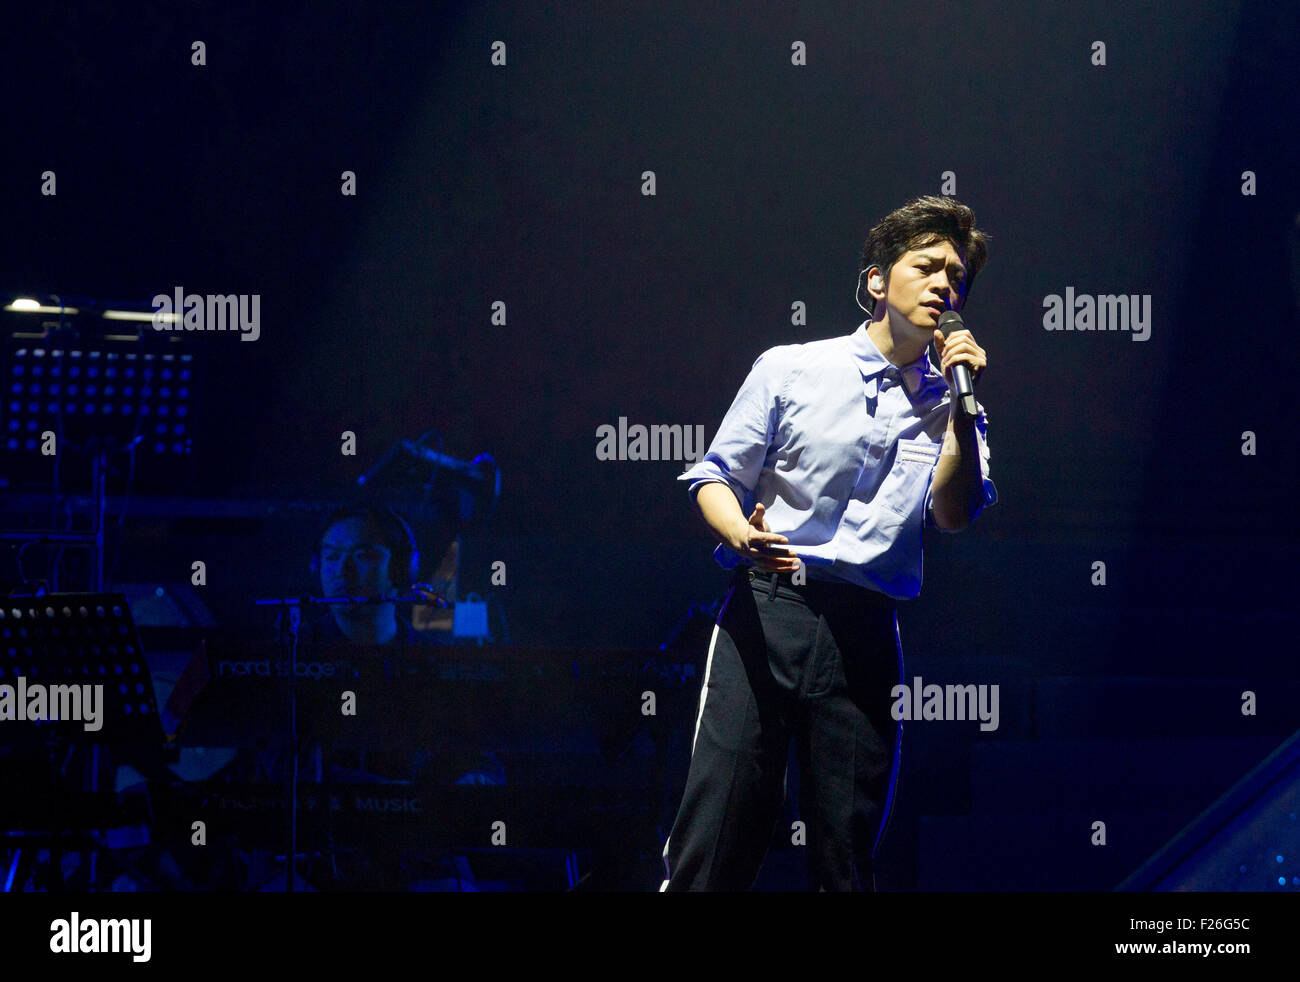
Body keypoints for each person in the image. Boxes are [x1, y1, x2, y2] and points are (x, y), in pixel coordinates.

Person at [659, 195, 998, 891]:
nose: (945, 285)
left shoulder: (954, 404)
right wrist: (742, 535)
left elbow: (954, 512)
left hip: (864, 630)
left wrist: (964, 415)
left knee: (846, 850)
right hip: (769, 608)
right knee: (720, 830)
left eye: (956, 277)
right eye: (927, 266)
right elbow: (714, 476)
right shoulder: (792, 368)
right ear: (877, 279)